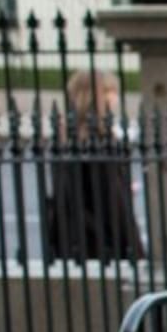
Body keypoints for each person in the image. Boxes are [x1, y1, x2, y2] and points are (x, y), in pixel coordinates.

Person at [45, 69, 143, 262]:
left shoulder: (64, 134)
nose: (115, 98)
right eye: (112, 92)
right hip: (101, 239)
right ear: (101, 95)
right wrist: (135, 249)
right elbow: (113, 202)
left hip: (68, 236)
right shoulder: (100, 139)